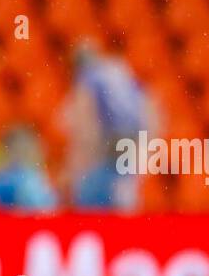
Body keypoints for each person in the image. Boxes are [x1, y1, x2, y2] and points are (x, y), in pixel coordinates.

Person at [58, 39, 158, 211]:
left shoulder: (87, 78)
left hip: (112, 142)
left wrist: (79, 164)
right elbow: (148, 106)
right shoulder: (118, 69)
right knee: (123, 189)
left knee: (98, 190)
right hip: (135, 139)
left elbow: (87, 128)